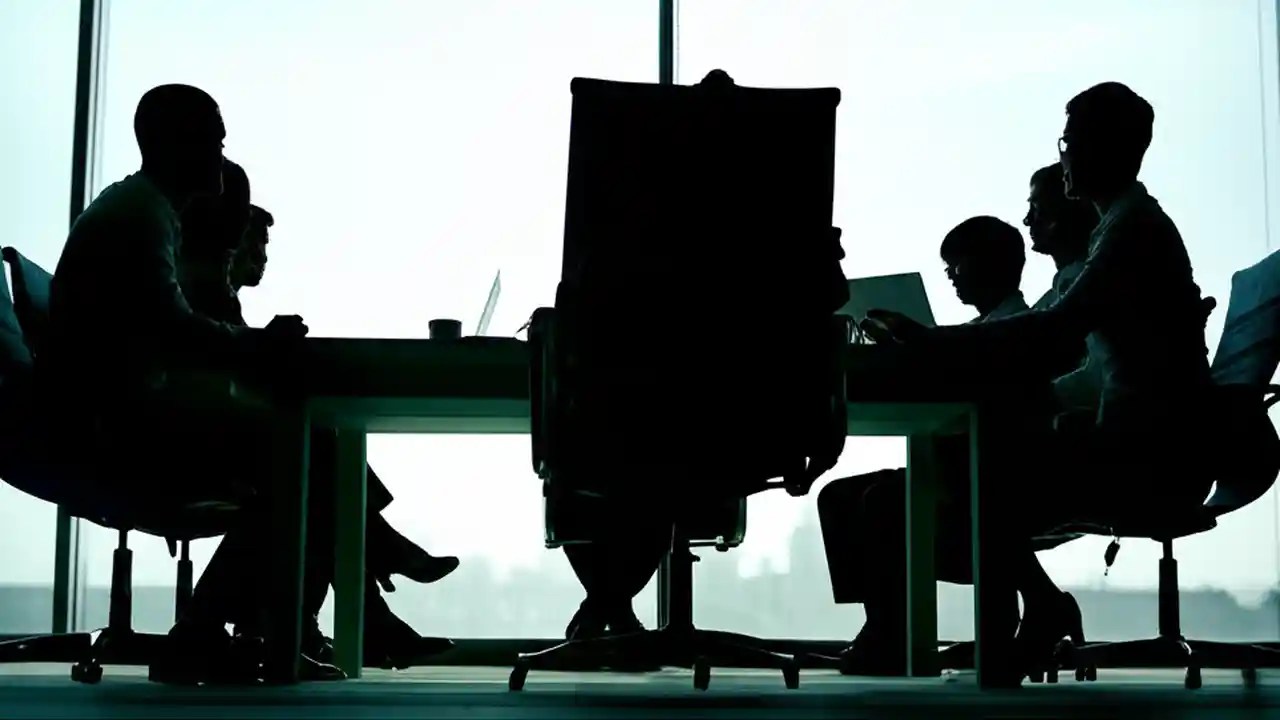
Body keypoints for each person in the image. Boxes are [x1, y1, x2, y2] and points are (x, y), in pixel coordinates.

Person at [861, 82, 1215, 680]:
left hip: (1144, 453)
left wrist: (927, 340)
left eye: (1071, 142)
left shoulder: (1131, 232)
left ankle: (1016, 628)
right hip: (1142, 441)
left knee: (973, 463)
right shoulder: (1125, 227)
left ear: (1104, 147)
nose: (1064, 156)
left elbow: (1053, 332)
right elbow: (1051, 333)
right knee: (974, 457)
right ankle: (1029, 615)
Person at [41, 84, 341, 684]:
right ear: (175, 144)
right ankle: (216, 633)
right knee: (305, 452)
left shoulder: (138, 209)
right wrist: (257, 345)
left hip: (116, 414)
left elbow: (164, 328)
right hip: (120, 429)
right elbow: (173, 329)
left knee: (307, 451)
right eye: (212, 139)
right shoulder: (141, 215)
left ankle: (227, 630)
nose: (221, 153)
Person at [179, 177, 458, 668]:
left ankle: (326, 613)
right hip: (197, 440)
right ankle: (367, 586)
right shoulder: (200, 288)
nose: (257, 257)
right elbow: (217, 369)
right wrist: (264, 344)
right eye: (250, 243)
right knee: (314, 468)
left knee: (316, 463)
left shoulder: (210, 293)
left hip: (215, 433)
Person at [817, 214, 1062, 675]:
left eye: (956, 264)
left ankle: (893, 634)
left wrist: (919, 347)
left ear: (987, 263)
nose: (950, 276)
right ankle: (886, 625)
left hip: (997, 472)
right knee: (838, 497)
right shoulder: (988, 330)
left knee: (883, 502)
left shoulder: (1020, 328)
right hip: (960, 466)